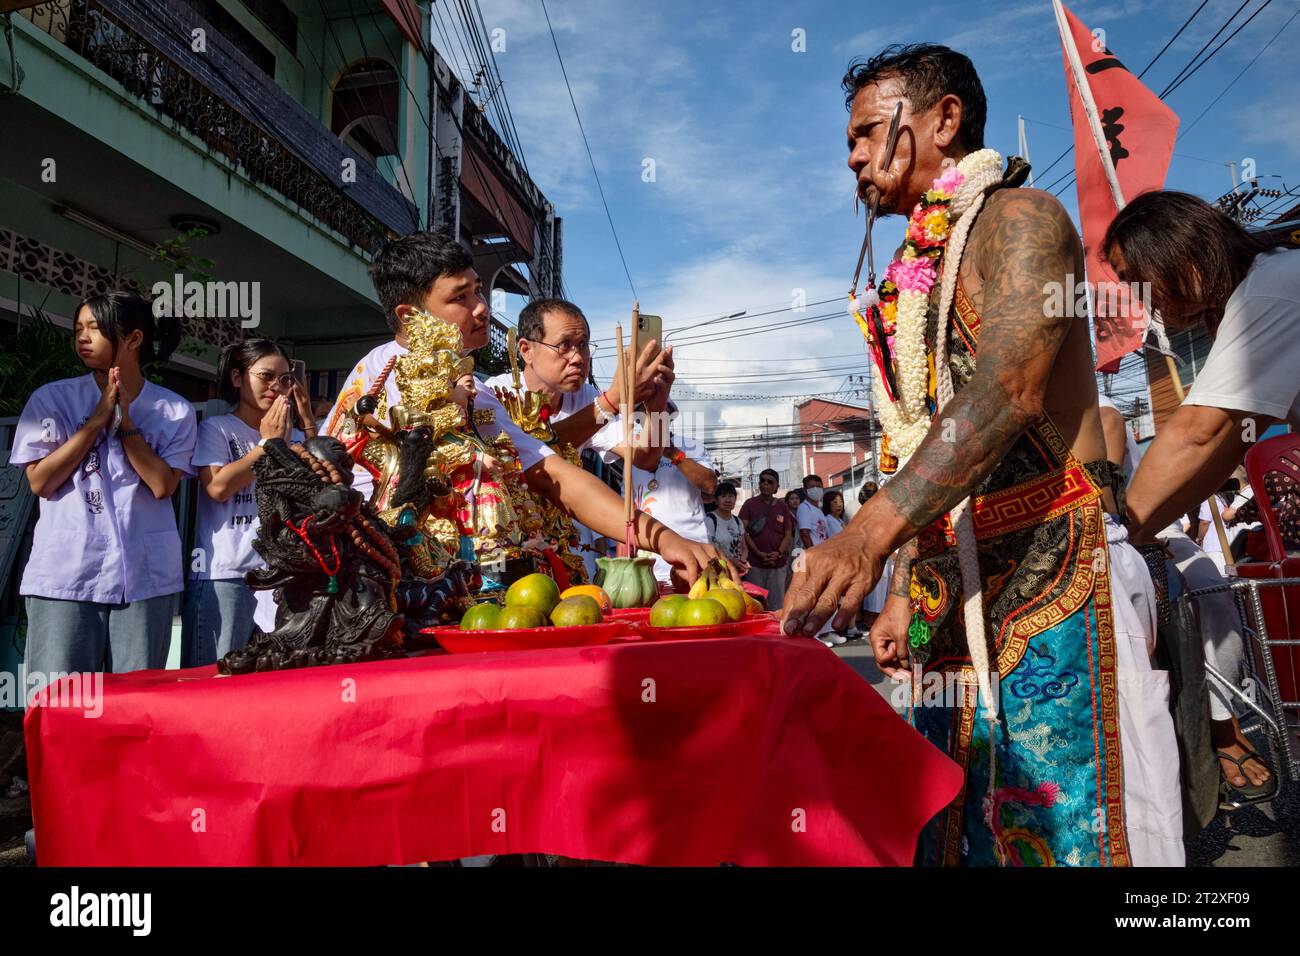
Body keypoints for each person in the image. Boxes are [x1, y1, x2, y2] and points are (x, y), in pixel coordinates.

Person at [784, 44, 1181, 865]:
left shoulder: (1024, 218)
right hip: (946, 597)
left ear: (945, 120)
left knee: (1063, 828)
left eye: (866, 132)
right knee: (949, 825)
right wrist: (902, 587)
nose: (852, 155)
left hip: (1054, 578)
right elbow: (914, 440)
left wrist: (866, 536)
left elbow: (1007, 388)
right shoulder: (906, 273)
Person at [321, 231, 723, 587]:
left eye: (479, 291)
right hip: (379, 577)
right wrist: (612, 402)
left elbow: (570, 468)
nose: (481, 307)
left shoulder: (483, 394)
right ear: (527, 350)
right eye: (460, 297)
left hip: (509, 565)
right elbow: (547, 458)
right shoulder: (391, 378)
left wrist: (652, 404)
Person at [13, 292, 194, 677]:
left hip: (143, 578)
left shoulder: (173, 410)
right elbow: (40, 482)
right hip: (66, 574)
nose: (82, 337)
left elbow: (163, 485)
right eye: (78, 328)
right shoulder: (52, 399)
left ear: (133, 339)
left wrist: (126, 422)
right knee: (60, 702)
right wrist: (95, 422)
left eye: (94, 328)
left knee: (135, 706)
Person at [484, 297, 674, 582]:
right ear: (526, 350)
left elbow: (645, 459)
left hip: (567, 543)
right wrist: (610, 403)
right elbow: (534, 452)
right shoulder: (493, 394)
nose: (577, 357)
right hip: (508, 544)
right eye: (564, 346)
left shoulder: (585, 397)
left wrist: (657, 407)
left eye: (583, 345)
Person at [185, 340, 314, 666]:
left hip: (283, 577)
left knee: (272, 683)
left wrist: (308, 422)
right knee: (217, 677)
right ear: (237, 377)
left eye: (285, 378)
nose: (276, 386)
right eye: (266, 376)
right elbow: (217, 487)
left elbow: (322, 492)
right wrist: (268, 445)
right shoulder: (217, 428)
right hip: (228, 575)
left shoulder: (297, 437)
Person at [625, 402, 718, 583]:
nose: (651, 418)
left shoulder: (691, 446)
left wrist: (671, 452)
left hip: (692, 556)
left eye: (657, 412)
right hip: (647, 564)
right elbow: (626, 508)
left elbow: (709, 485)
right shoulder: (631, 453)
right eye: (643, 414)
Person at [739, 469, 794, 610]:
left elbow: (788, 534)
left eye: (770, 481)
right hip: (754, 564)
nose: (765, 484)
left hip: (778, 564)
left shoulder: (783, 507)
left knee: (776, 607)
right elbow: (742, 531)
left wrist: (778, 553)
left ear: (776, 486)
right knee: (755, 605)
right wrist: (758, 553)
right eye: (762, 480)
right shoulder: (749, 504)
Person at [706, 481, 747, 571]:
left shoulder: (738, 521)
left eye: (731, 496)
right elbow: (709, 549)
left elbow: (744, 548)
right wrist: (731, 561)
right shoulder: (710, 520)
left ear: (735, 499)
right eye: (723, 496)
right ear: (716, 500)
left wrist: (742, 561)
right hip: (719, 571)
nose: (728, 500)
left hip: (737, 571)